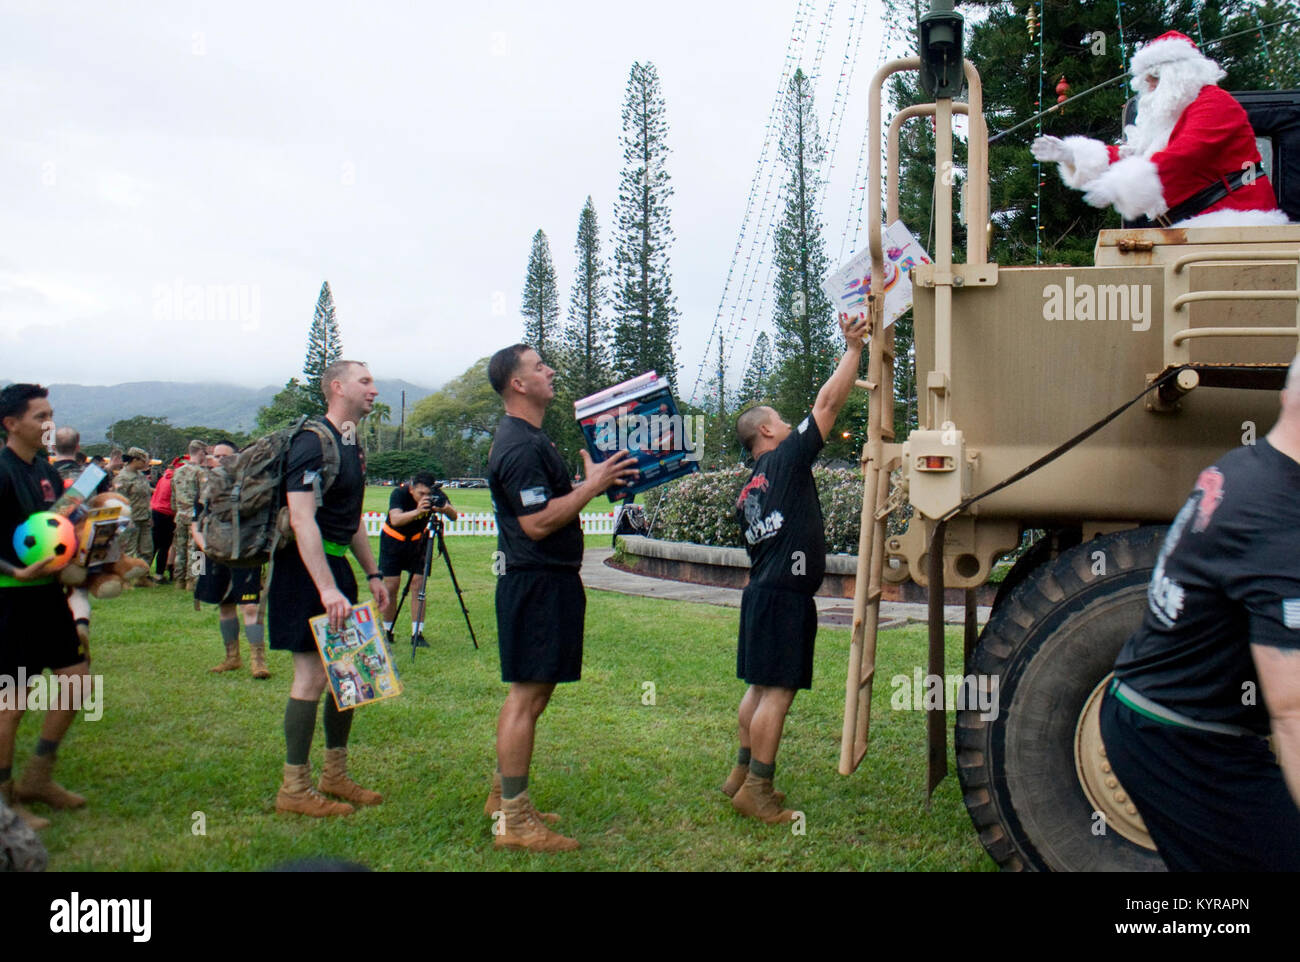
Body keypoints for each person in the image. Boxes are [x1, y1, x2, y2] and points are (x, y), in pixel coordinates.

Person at [1098, 356, 1300, 871]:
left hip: (1158, 716)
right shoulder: (1278, 520)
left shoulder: (1246, 465)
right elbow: (1294, 713)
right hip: (1182, 739)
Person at [485, 344, 638, 852]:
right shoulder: (518, 445)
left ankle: (501, 795)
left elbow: (548, 502)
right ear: (518, 385)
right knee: (527, 696)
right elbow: (536, 522)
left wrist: (591, 481)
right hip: (536, 582)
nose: (549, 370)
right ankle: (515, 819)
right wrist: (591, 486)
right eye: (538, 366)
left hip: (548, 582)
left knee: (536, 692)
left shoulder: (531, 438)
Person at [723, 315, 866, 824]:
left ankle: (740, 775)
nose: (789, 425)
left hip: (760, 592)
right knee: (777, 693)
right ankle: (758, 788)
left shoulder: (749, 490)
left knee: (758, 688)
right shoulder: (784, 459)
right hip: (785, 596)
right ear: (767, 431)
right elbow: (828, 405)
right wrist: (853, 348)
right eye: (782, 421)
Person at [268, 360, 389, 817]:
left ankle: (334, 775)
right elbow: (301, 518)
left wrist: (373, 574)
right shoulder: (311, 440)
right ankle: (293, 789)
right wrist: (326, 589)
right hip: (305, 572)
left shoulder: (351, 444)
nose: (374, 389)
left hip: (335, 567)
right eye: (365, 381)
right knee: (314, 676)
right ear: (337, 388)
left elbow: (350, 518)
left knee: (352, 674)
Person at [1032, 31, 1288, 229]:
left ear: (1180, 74)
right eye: (1146, 80)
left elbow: (1184, 155)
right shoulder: (1170, 117)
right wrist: (1072, 155)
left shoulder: (1215, 103)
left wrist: (1119, 186)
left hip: (1237, 226)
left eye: (1155, 77)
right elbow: (1134, 155)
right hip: (1194, 231)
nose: (1149, 86)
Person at [0, 385, 93, 831]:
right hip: (9, 598)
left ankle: (38, 777)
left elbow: (59, 524)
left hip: (47, 595)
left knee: (76, 680)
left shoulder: (45, 470)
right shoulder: (0, 470)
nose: (48, 424)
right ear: (11, 424)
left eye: (51, 415)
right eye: (40, 416)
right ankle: (4, 803)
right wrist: (15, 572)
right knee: (12, 700)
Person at [192, 441, 269, 679]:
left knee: (250, 606)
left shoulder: (251, 486)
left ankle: (258, 660)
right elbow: (196, 523)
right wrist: (206, 548)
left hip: (245, 553)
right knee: (224, 605)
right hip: (216, 553)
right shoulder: (207, 486)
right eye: (216, 456)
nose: (220, 460)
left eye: (226, 456)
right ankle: (232, 657)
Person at [378, 471, 458, 642]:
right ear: (412, 489)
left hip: (418, 542)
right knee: (391, 586)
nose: (425, 497)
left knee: (418, 585)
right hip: (392, 541)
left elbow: (454, 516)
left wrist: (445, 508)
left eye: (428, 494)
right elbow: (396, 519)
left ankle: (417, 633)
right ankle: (387, 631)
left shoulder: (435, 495)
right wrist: (418, 511)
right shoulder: (399, 494)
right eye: (421, 493)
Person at [170, 440, 206, 591]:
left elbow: (173, 496)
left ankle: (179, 580)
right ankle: (194, 581)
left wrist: (176, 510)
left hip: (180, 514)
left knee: (180, 548)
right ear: (200, 452)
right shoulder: (200, 472)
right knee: (197, 549)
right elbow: (203, 496)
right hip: (195, 515)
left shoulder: (177, 471)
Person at [114, 447, 154, 565]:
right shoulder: (123, 477)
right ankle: (125, 577)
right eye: (143, 461)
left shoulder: (141, 475)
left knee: (147, 549)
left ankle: (142, 576)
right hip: (131, 520)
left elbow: (146, 494)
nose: (146, 464)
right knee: (128, 551)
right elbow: (119, 500)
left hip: (144, 518)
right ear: (135, 460)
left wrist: (149, 514)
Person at [149, 453, 182, 584]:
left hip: (156, 511)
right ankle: (160, 574)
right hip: (168, 514)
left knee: (155, 545)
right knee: (166, 546)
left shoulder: (164, 478)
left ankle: (145, 573)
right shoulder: (175, 480)